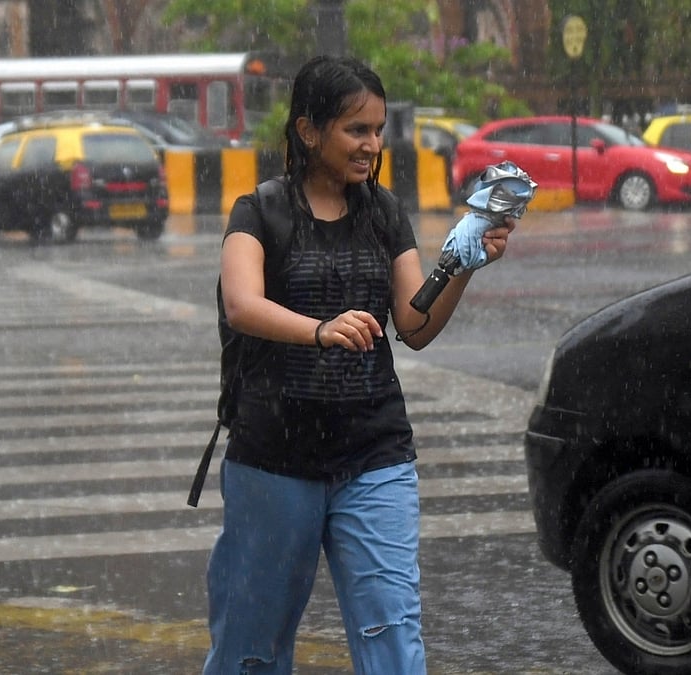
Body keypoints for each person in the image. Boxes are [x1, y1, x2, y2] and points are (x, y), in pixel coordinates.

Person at [203, 55, 515, 675]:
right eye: (355, 130)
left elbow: (415, 325)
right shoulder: (258, 212)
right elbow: (242, 304)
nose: (372, 144)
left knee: (393, 637)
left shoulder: (383, 213)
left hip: (375, 454)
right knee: (252, 646)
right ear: (308, 131)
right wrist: (319, 330)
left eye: (377, 129)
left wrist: (467, 262)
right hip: (274, 457)